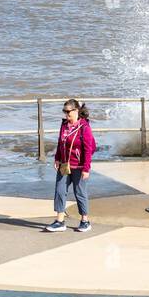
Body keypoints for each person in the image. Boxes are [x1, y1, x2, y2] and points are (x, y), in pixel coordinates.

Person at [44, 99, 96, 233]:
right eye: (64, 111)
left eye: (68, 111)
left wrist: (86, 168)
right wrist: (57, 158)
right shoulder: (64, 125)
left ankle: (85, 221)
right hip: (64, 164)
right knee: (60, 191)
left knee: (80, 193)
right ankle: (60, 221)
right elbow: (60, 142)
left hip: (79, 166)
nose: (66, 114)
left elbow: (88, 149)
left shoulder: (84, 127)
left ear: (76, 111)